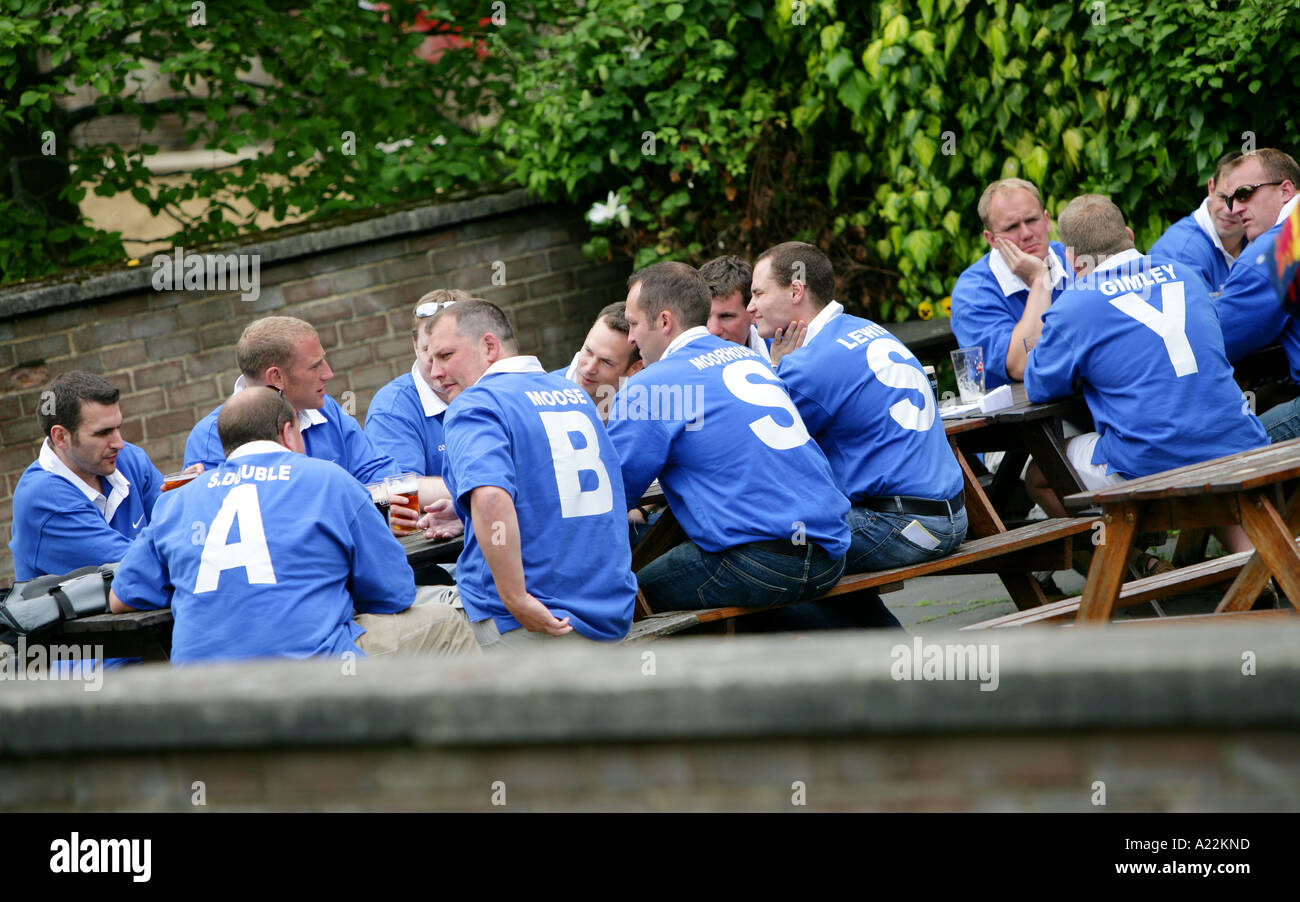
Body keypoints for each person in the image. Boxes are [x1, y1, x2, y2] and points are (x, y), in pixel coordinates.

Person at [109, 388, 478, 663]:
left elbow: (121, 599)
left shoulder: (177, 499)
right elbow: (394, 593)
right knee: (445, 623)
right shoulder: (327, 479)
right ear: (288, 432)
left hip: (204, 691)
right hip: (310, 674)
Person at [606, 262, 850, 616]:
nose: (630, 338)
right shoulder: (752, 359)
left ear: (664, 321)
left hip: (763, 561)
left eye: (632, 324)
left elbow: (611, 493)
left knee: (625, 601)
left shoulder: (650, 385)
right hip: (833, 551)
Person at [1025, 194, 1267, 515]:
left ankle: (1135, 563)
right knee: (1203, 469)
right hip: (1240, 440)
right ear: (1129, 235)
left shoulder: (1072, 306)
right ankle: (1250, 560)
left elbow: (1039, 386)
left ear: (1071, 260)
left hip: (1154, 461)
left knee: (1041, 472)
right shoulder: (1186, 274)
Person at [419, 299, 638, 649]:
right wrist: (466, 512)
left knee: (376, 624)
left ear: (489, 346)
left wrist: (516, 599)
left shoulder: (475, 404)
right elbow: (551, 490)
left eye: (445, 356)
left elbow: (492, 498)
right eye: (430, 360)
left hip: (529, 625)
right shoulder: (574, 395)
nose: (434, 373)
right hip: (609, 618)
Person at [750, 242, 967, 587]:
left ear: (795, 290)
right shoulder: (863, 328)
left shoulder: (809, 365)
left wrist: (776, 367)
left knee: (759, 555)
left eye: (758, 293)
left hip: (904, 527)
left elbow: (760, 454)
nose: (751, 307)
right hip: (952, 515)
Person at [183, 316, 433, 530]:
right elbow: (244, 527)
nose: (329, 373)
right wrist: (366, 514)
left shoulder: (327, 409)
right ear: (276, 377)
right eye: (315, 366)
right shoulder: (211, 436)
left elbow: (388, 480)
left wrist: (459, 496)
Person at [9, 372, 165, 581]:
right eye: (103, 433)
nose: (119, 443)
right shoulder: (43, 498)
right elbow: (137, 568)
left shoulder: (130, 459)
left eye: (118, 427)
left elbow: (181, 525)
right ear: (61, 437)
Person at [1211, 149, 1300, 441]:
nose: (1235, 209)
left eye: (1245, 193)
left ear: (1285, 190)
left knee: (1221, 452)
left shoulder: (1271, 252)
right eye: (1229, 199)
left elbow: (1216, 342)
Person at [950, 178, 1069, 388]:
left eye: (1032, 220)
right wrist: (1040, 279)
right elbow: (1024, 365)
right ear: (992, 239)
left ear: (1047, 220)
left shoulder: (1074, 260)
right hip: (1024, 416)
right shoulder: (972, 292)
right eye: (1012, 227)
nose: (1026, 234)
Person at [365, 289, 470, 478]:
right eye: (427, 351)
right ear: (415, 345)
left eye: (447, 354)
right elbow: (403, 492)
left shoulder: (501, 386)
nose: (438, 370)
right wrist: (485, 488)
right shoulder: (391, 409)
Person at [1149, 151, 1247, 293]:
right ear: (1211, 188)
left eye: (1240, 199)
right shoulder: (1181, 254)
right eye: (1222, 197)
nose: (1228, 210)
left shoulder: (1263, 236)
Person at [559, 302, 644, 420]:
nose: (590, 368)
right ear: (588, 335)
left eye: (606, 362)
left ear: (634, 368)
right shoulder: (543, 395)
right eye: (588, 351)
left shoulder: (646, 409)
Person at [698, 255, 772, 365]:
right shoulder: (675, 357)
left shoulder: (784, 351)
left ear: (753, 313)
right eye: (704, 317)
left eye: (726, 316)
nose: (713, 330)